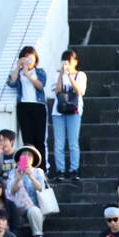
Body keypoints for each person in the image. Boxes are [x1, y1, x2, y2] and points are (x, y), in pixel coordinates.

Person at [51, 49, 86, 180]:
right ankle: (60, 170)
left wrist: (70, 76)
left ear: (75, 62)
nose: (67, 63)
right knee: (59, 143)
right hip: (58, 111)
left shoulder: (80, 75)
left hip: (74, 110)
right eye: (64, 61)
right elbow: (57, 91)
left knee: (73, 142)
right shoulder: (57, 75)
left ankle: (74, 169)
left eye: (69, 61)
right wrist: (61, 74)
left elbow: (80, 91)